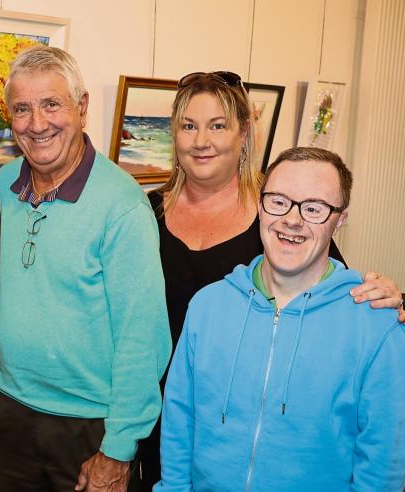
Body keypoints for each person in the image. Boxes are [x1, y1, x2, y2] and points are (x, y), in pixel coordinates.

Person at [130, 71, 405, 491]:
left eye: (217, 125)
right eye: (188, 125)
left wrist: (394, 302)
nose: (201, 140)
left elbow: (338, 294)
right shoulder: (147, 214)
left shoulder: (284, 216)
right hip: (171, 423)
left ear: (244, 133)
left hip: (282, 440)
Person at [0, 45, 170, 492]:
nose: (37, 123)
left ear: (82, 107)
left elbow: (142, 338)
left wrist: (119, 447)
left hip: (89, 425)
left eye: (52, 104)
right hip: (8, 410)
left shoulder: (122, 205)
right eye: (22, 109)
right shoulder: (3, 185)